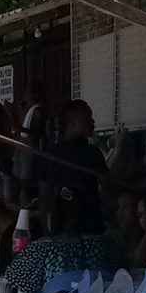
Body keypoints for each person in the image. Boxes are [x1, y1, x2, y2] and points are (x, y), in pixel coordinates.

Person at [40, 100, 110, 239]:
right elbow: (45, 196)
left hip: (88, 226)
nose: (92, 121)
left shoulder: (92, 152)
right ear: (72, 123)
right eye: (88, 118)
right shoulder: (54, 154)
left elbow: (107, 186)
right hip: (68, 226)